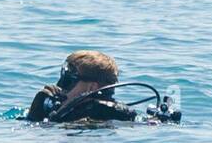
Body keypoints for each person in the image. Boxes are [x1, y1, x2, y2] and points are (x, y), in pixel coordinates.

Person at [25, 50, 179, 123]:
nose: (61, 87)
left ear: (91, 88)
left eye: (68, 81)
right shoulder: (61, 107)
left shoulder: (103, 111)